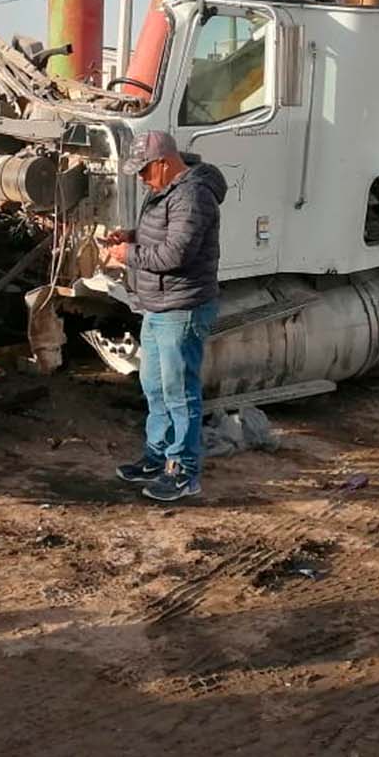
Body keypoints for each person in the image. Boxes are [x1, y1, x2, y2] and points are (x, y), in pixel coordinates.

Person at [100, 131, 226, 503]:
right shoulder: (167, 189)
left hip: (181, 307)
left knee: (179, 392)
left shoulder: (192, 196)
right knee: (155, 386)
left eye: (143, 171)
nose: (140, 178)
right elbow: (163, 236)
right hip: (157, 305)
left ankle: (184, 471)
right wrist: (132, 235)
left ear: (164, 163)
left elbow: (175, 255)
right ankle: (158, 458)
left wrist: (128, 254)